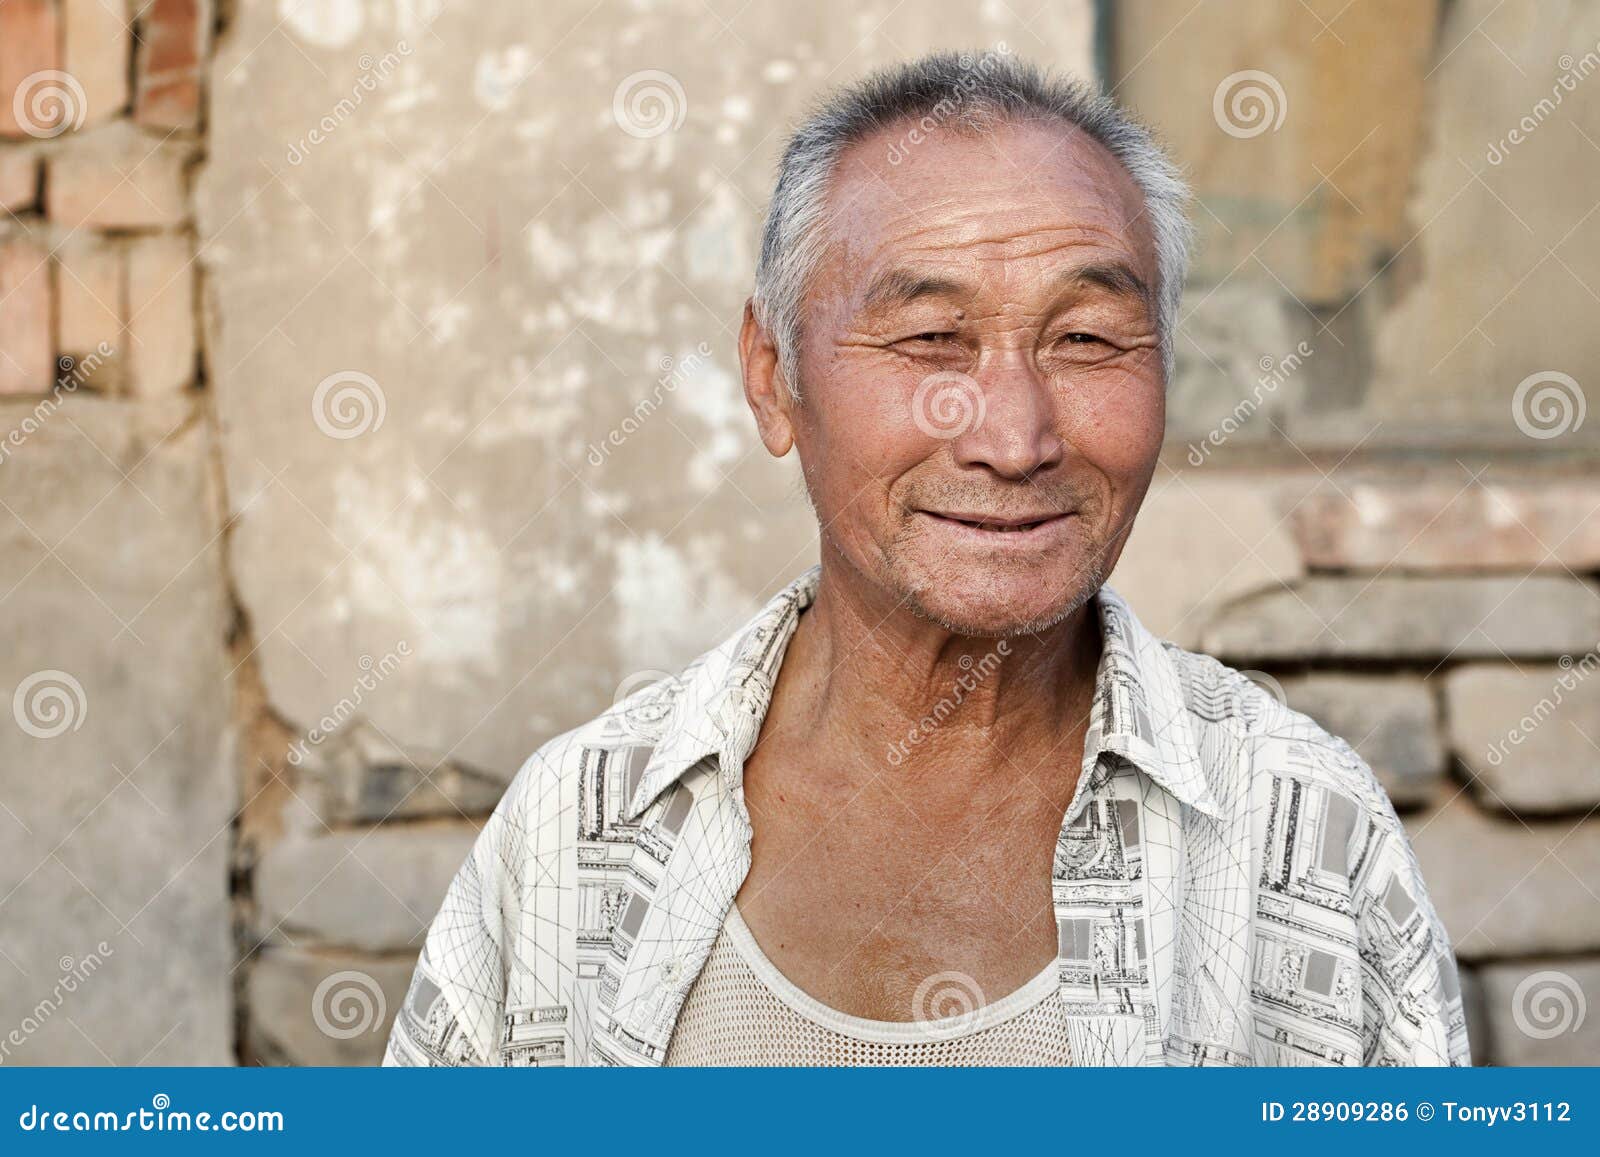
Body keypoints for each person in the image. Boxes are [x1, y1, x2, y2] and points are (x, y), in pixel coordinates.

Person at [384, 50, 1470, 1068]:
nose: (1015, 437)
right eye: (930, 340)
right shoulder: (577, 825)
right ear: (773, 376)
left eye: (1086, 339)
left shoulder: (1300, 829)